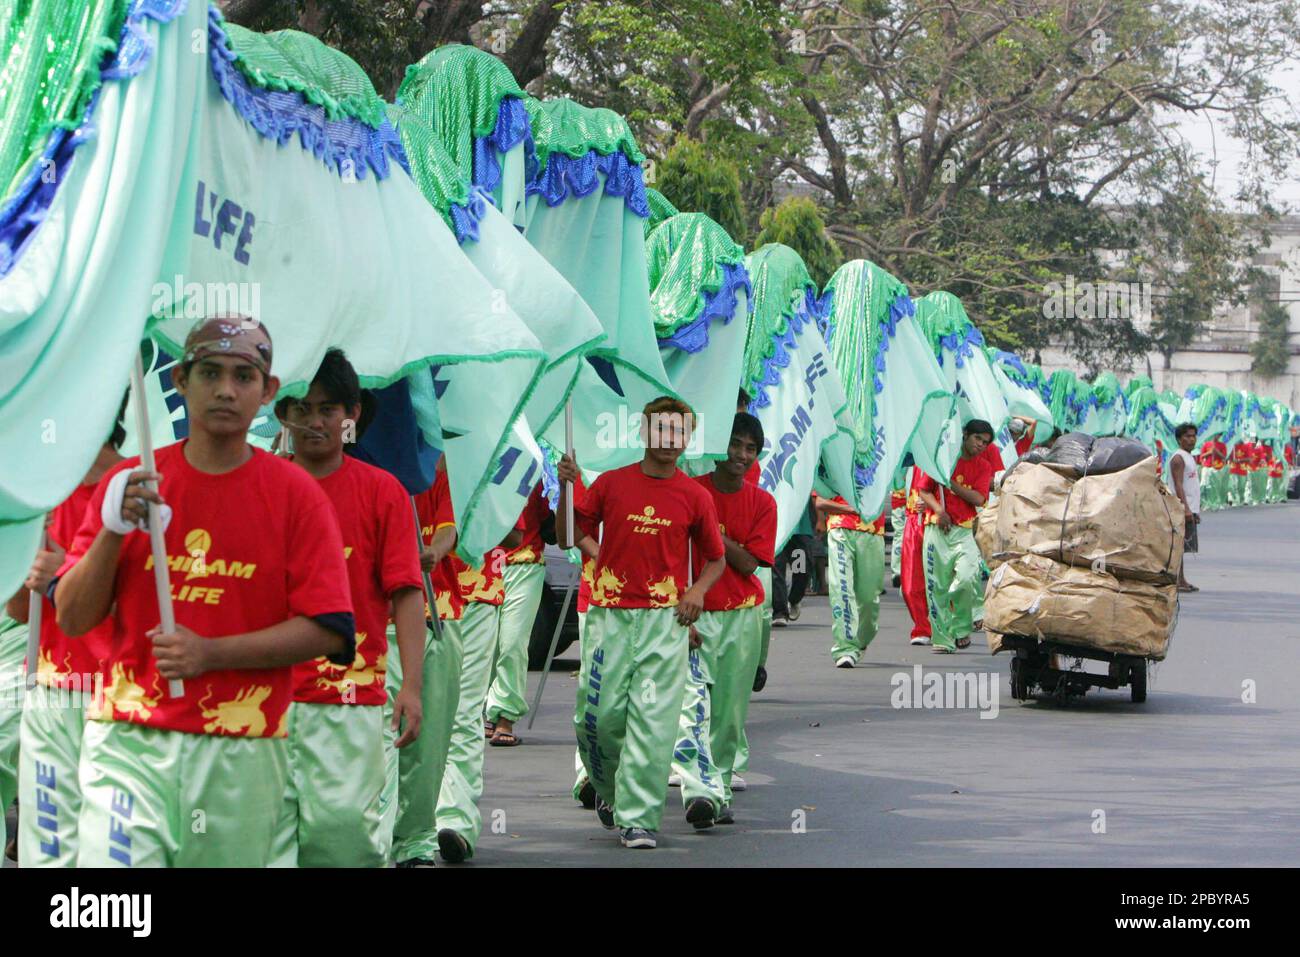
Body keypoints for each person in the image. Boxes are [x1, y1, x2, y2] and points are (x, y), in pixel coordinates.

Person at [53, 317, 355, 866]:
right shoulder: (132, 483)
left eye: (244, 376)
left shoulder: (296, 496)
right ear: (179, 380)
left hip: (243, 747)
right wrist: (111, 530)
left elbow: (328, 628)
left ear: (268, 391)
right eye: (209, 373)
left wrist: (210, 654)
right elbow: (71, 617)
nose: (225, 389)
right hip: (127, 738)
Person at [270, 349, 426, 867]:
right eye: (302, 408)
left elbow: (406, 592)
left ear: (352, 414)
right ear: (283, 414)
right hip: (256, 697)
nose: (315, 421)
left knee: (343, 838)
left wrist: (411, 687)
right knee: (263, 841)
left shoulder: (384, 493)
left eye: (328, 409)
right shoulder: (258, 485)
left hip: (350, 696)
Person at [557, 396, 725, 850]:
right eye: (661, 431)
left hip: (663, 622)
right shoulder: (612, 484)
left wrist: (695, 592)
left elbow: (716, 558)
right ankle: (609, 792)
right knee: (596, 720)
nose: (669, 441)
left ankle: (640, 818)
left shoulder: (694, 496)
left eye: (678, 432)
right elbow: (567, 535)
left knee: (653, 722)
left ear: (687, 438)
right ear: (644, 433)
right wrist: (565, 490)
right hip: (609, 617)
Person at [6, 399, 127, 866]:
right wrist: (32, 573)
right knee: (49, 846)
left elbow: (167, 605)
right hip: (53, 690)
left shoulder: (139, 488)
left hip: (125, 696)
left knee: (113, 848)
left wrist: (64, 576)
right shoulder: (41, 492)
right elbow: (20, 609)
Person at [671, 413, 776, 828]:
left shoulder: (763, 502)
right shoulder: (690, 492)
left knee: (729, 712)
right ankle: (700, 788)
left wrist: (712, 532)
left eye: (750, 449)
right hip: (692, 615)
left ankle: (720, 787)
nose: (741, 455)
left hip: (741, 617)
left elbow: (750, 563)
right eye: (735, 444)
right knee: (691, 705)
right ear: (719, 445)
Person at [430, 469, 521, 863]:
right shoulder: (404, 455)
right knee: (416, 719)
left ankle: (455, 822)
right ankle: (407, 826)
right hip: (416, 598)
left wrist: (479, 503)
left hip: (478, 596)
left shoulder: (492, 455)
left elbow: (516, 536)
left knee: (464, 712)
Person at [387, 458, 467, 867]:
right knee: (374, 745)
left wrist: (432, 553)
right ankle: (372, 842)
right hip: (367, 625)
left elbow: (448, 529)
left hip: (437, 616)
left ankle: (415, 842)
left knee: (426, 743)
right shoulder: (355, 474)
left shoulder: (434, 473)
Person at [914, 420, 996, 654]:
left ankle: (961, 627)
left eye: (985, 442)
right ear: (965, 434)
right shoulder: (943, 458)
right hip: (936, 529)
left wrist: (949, 484)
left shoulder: (983, 466)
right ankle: (943, 639)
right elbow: (924, 489)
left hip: (964, 530)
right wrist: (939, 511)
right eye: (977, 439)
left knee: (967, 578)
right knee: (936, 586)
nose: (981, 445)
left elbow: (979, 498)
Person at [484, 482, 551, 747]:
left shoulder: (537, 465)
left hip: (525, 564)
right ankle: (489, 707)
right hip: (482, 563)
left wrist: (563, 484)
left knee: (512, 643)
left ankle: (505, 717)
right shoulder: (476, 464)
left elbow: (553, 525)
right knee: (486, 646)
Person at [813, 492, 887, 668]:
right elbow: (820, 502)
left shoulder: (879, 465)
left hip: (873, 532)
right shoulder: (833, 465)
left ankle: (860, 639)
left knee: (869, 599)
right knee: (842, 589)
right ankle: (845, 647)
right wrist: (849, 510)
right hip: (839, 528)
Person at [899, 467, 933, 646]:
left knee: (941, 580)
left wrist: (931, 502)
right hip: (913, 521)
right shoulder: (909, 456)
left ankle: (945, 625)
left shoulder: (946, 451)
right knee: (910, 584)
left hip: (937, 521)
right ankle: (922, 626)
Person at [1169, 422, 1201, 594]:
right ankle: (1177, 580)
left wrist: (1195, 511)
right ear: (1179, 439)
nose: (1191, 439)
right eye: (1187, 436)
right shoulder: (1178, 458)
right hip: (1179, 508)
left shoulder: (1189, 457)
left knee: (1182, 546)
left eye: (1193, 436)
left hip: (1190, 508)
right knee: (1178, 545)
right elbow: (1178, 485)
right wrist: (1186, 509)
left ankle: (1181, 579)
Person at [1197, 436, 1228, 512]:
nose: (1216, 436)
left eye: (1218, 435)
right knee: (1204, 485)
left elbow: (1224, 457)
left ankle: (1215, 502)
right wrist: (1209, 452)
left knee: (1215, 486)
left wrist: (1216, 451)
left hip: (1216, 468)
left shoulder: (1222, 445)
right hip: (1207, 467)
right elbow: (1201, 456)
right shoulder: (1206, 444)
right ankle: (1205, 503)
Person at [1227, 439, 1251, 506]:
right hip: (1233, 469)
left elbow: (1249, 459)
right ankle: (1234, 500)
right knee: (1233, 485)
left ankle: (1241, 499)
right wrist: (1230, 457)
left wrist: (1239, 460)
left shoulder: (1246, 446)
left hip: (1242, 469)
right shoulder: (1231, 446)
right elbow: (1227, 457)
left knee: (1241, 486)